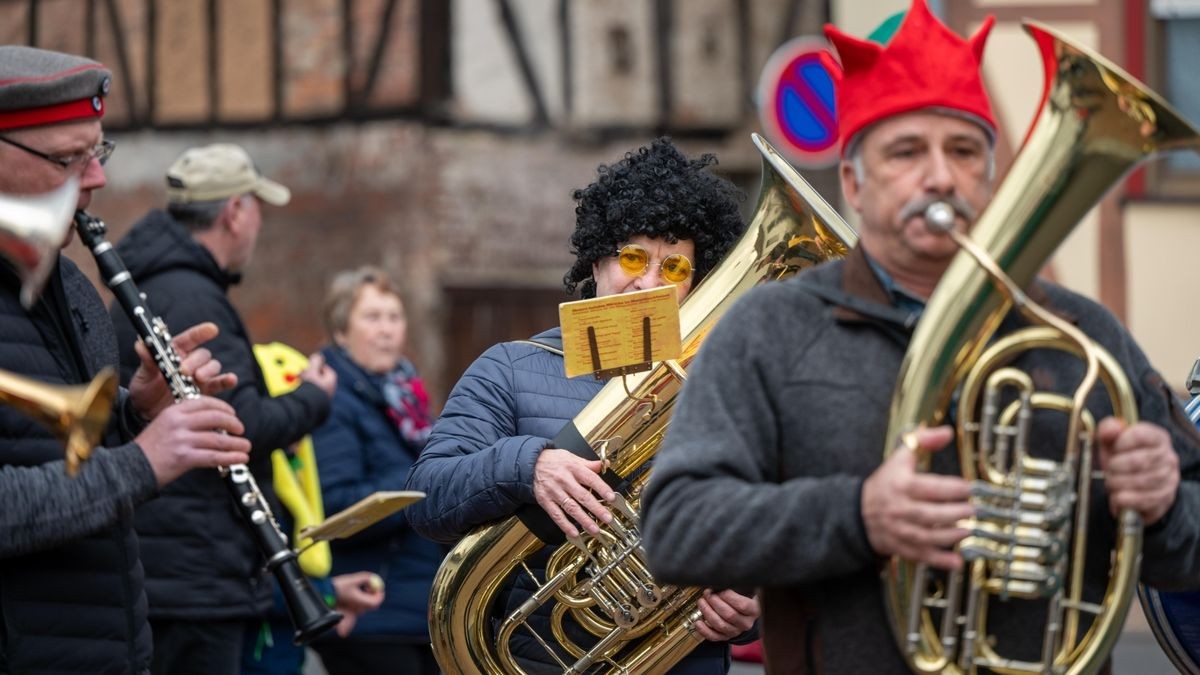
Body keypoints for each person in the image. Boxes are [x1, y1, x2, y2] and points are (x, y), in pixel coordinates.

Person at [639, 2, 1200, 672]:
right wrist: (857, 515)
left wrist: (1164, 507)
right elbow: (674, 530)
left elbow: (1189, 544)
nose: (940, 176)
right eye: (905, 151)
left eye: (963, 151)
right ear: (855, 180)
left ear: (991, 177)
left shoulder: (1083, 334)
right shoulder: (769, 330)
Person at [406, 137, 760, 674]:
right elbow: (424, 496)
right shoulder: (509, 366)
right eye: (634, 257)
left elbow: (766, 528)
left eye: (673, 268)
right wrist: (528, 466)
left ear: (694, 284)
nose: (646, 281)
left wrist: (749, 607)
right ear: (597, 260)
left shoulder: (727, 385)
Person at [0, 46, 252, 673]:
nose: (96, 180)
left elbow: (51, 451)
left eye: (98, 153)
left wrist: (136, 410)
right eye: (68, 158)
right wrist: (143, 463)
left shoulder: (70, 285)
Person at [108, 143, 337, 675]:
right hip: (193, 569)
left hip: (176, 559)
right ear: (236, 212)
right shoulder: (193, 298)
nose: (258, 226)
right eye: (257, 209)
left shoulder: (161, 283)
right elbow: (241, 427)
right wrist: (314, 397)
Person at [306, 266, 444, 675]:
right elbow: (336, 506)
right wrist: (423, 482)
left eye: (393, 317)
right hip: (370, 614)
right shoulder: (331, 400)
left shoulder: (406, 396)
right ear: (341, 332)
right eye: (371, 317)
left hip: (417, 610)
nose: (386, 330)